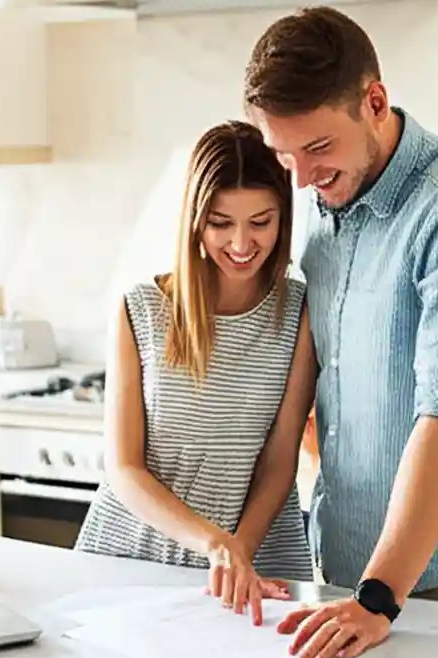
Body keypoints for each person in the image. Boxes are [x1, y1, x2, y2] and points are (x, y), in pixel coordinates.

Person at [241, 8, 438, 658]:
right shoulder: (326, 209)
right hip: (345, 584)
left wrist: (379, 597)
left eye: (318, 148)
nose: (302, 178)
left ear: (375, 101)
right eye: (283, 156)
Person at [74, 120, 316, 626]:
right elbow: (125, 468)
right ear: (195, 220)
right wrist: (214, 545)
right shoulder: (140, 309)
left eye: (262, 222)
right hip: (135, 555)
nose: (242, 243)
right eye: (221, 222)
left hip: (255, 564)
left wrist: (238, 552)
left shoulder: (298, 312)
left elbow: (279, 459)